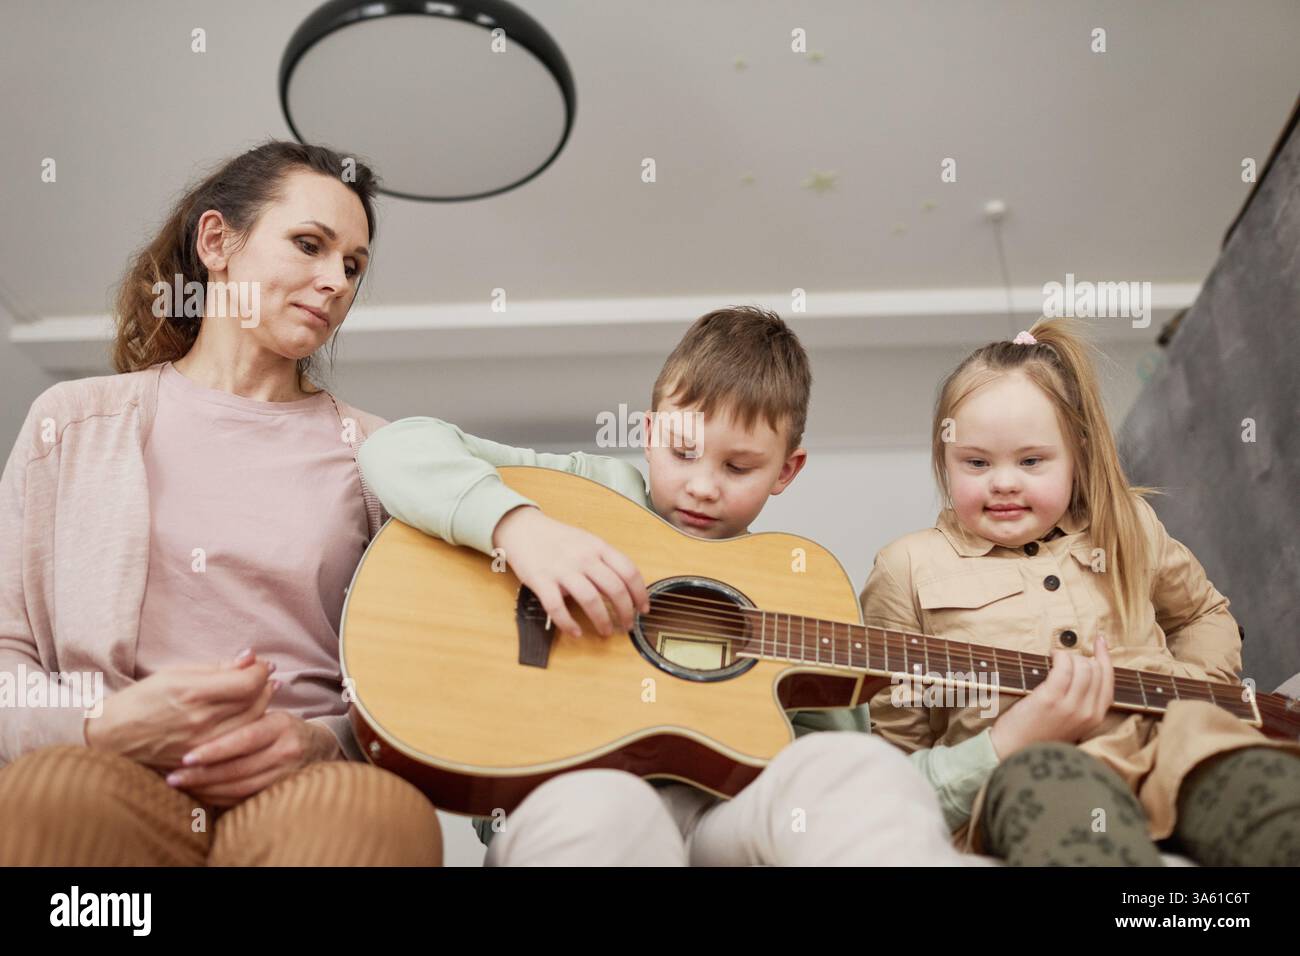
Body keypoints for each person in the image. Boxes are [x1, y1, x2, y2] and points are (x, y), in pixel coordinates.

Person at [359, 306, 992, 865]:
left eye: (738, 466)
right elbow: (397, 447)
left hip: (723, 829)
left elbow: (824, 766)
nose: (702, 485)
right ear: (648, 431)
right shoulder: (595, 492)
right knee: (610, 810)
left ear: (786, 471)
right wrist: (522, 530)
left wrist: (1002, 742)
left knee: (854, 767)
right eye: (681, 451)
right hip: (575, 796)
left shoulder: (800, 589)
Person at [0, 140, 441, 866]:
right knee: (46, 797)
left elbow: (414, 684)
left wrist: (321, 741)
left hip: (303, 792)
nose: (336, 281)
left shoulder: (379, 455)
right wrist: (102, 723)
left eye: (354, 266)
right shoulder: (72, 423)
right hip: (106, 774)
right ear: (217, 242)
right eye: (309, 245)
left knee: (378, 817)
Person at [860, 319, 1300, 865]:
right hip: (1030, 766)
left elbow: (1202, 614)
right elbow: (898, 742)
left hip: (1167, 741)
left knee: (1259, 784)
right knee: (1052, 796)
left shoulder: (1128, 523)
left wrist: (1189, 690)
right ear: (944, 457)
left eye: (1031, 461)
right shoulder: (906, 565)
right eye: (976, 462)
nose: (1003, 482)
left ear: (1078, 454)